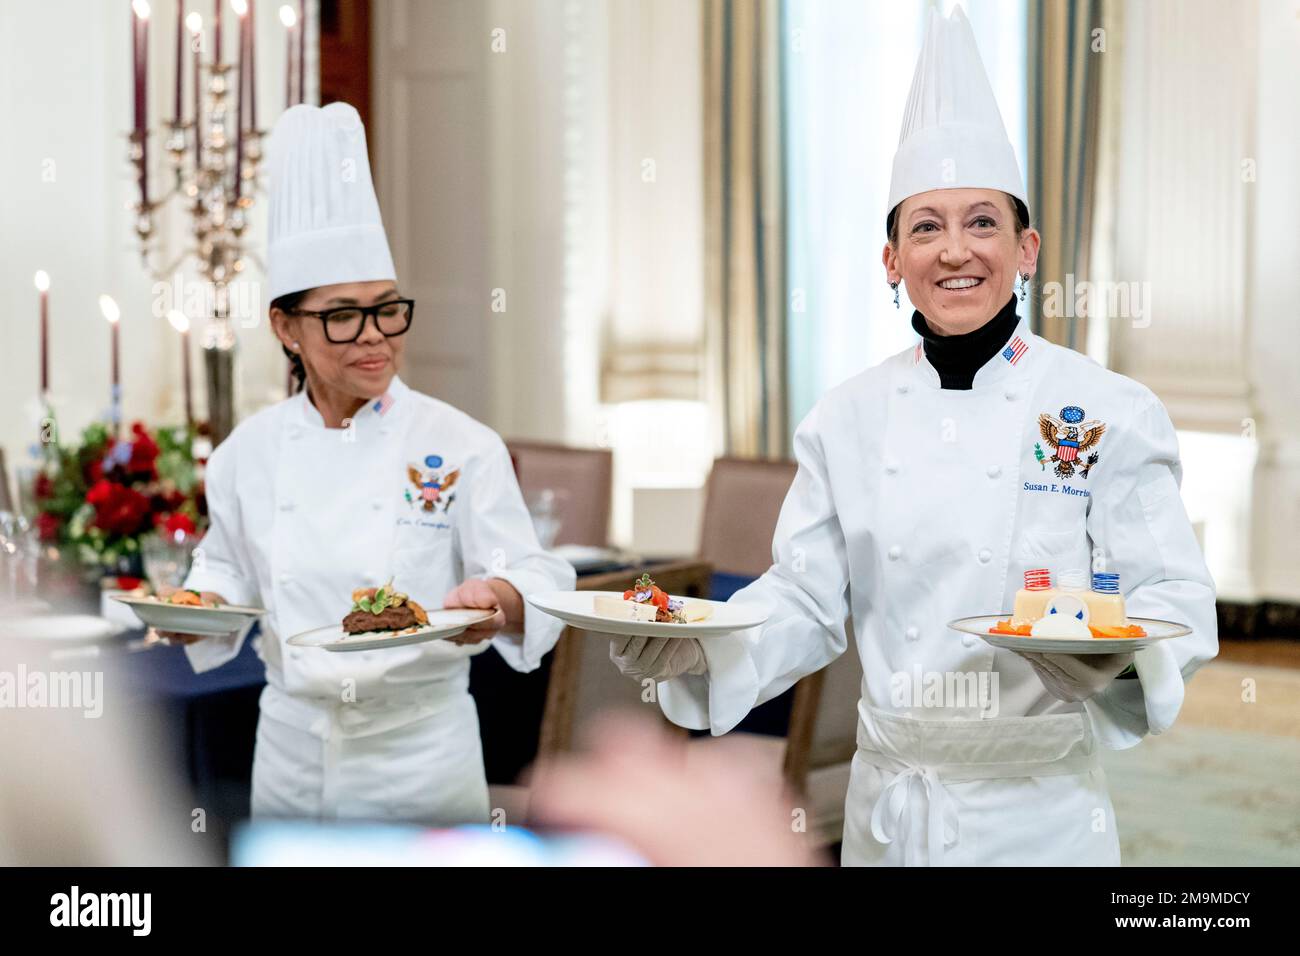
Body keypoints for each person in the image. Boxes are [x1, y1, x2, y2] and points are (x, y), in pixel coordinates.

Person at [608, 7, 1217, 865]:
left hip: (1039, 814)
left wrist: (1114, 668)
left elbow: (1176, 602)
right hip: (888, 803)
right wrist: (694, 653)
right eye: (924, 226)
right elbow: (806, 601)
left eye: (981, 222)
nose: (954, 250)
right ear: (891, 260)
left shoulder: (1108, 407)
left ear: (1027, 248)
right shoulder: (845, 417)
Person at [161, 103, 575, 824]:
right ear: (286, 328)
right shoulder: (244, 456)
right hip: (290, 759)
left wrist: (497, 600)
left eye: (388, 310)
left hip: (419, 760)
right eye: (343, 316)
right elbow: (223, 576)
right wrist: (189, 611)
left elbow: (536, 576)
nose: (375, 338)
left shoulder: (461, 445)